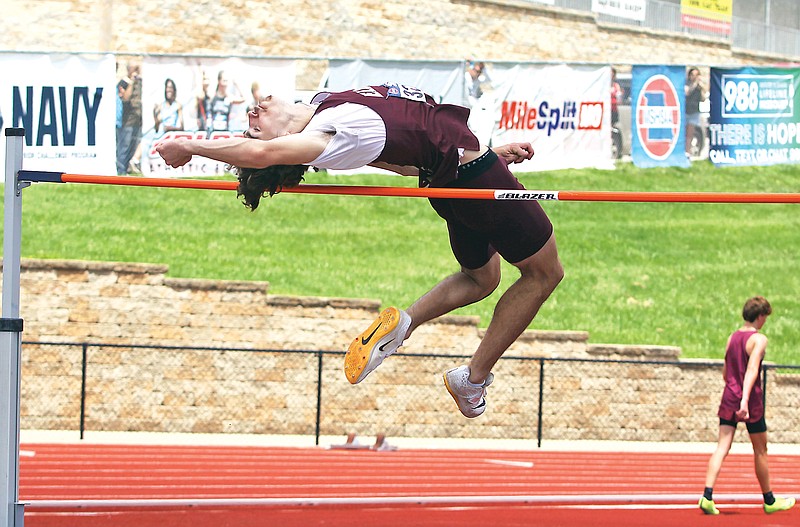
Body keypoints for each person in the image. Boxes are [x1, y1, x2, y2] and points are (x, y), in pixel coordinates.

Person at [156, 83, 564, 419]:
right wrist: (191, 146)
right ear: (285, 142)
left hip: (453, 177)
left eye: (252, 119)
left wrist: (488, 155)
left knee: (482, 278)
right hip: (471, 178)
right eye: (256, 127)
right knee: (544, 274)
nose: (252, 114)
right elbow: (261, 155)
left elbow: (404, 154)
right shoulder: (325, 132)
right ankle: (472, 379)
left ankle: (404, 323)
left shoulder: (323, 104)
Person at [699, 296, 795, 515]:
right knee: (760, 449)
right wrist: (744, 401)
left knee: (722, 447)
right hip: (749, 400)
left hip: (729, 395)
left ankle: (707, 495)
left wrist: (733, 393)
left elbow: (726, 372)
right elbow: (752, 370)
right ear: (760, 316)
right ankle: (769, 500)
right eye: (765, 317)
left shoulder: (732, 338)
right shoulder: (759, 340)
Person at [117, 61, 142, 174]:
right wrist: (131, 81)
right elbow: (126, 98)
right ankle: (121, 171)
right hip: (127, 121)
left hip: (138, 120)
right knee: (124, 147)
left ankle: (128, 170)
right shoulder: (124, 83)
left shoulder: (140, 82)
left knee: (134, 146)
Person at [685, 67, 705, 156]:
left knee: (690, 133)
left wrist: (701, 86)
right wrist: (693, 85)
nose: (694, 77)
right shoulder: (686, 84)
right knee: (684, 133)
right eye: (692, 75)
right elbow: (687, 93)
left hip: (694, 111)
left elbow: (703, 99)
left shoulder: (699, 87)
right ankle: (685, 150)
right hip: (686, 110)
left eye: (696, 75)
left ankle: (688, 152)